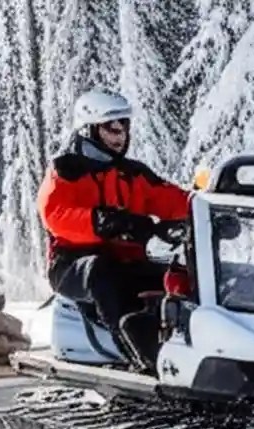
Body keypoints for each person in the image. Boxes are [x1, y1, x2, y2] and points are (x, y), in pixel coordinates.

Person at [37, 88, 191, 372]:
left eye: (124, 126)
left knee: (181, 273)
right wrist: (102, 222)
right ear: (89, 128)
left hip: (126, 261)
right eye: (112, 127)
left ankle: (189, 344)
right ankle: (138, 355)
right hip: (73, 264)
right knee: (101, 272)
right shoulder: (67, 172)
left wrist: (205, 210)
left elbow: (171, 198)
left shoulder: (132, 174)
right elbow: (55, 214)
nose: (120, 135)